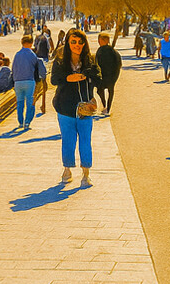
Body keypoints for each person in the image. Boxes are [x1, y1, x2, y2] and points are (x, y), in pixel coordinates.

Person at [51, 29, 101, 187]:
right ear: (68, 43)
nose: (77, 45)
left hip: (85, 109)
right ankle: (67, 169)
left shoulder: (91, 60)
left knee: (86, 140)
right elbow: (54, 80)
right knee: (68, 140)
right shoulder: (60, 61)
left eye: (80, 42)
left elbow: (99, 79)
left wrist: (89, 74)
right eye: (73, 42)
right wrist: (68, 78)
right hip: (65, 108)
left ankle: (86, 174)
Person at [11, 35, 43, 131]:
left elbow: (13, 69)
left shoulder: (17, 54)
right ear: (31, 43)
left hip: (18, 82)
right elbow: (37, 69)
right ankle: (27, 122)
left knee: (20, 102)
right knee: (30, 102)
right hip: (29, 81)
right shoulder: (33, 55)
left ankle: (20, 122)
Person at [95, 33, 122, 116]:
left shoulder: (101, 51)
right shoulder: (114, 51)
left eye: (100, 40)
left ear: (105, 40)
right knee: (110, 91)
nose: (98, 42)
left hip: (104, 76)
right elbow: (119, 63)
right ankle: (107, 108)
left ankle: (105, 106)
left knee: (100, 90)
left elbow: (96, 63)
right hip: (112, 76)